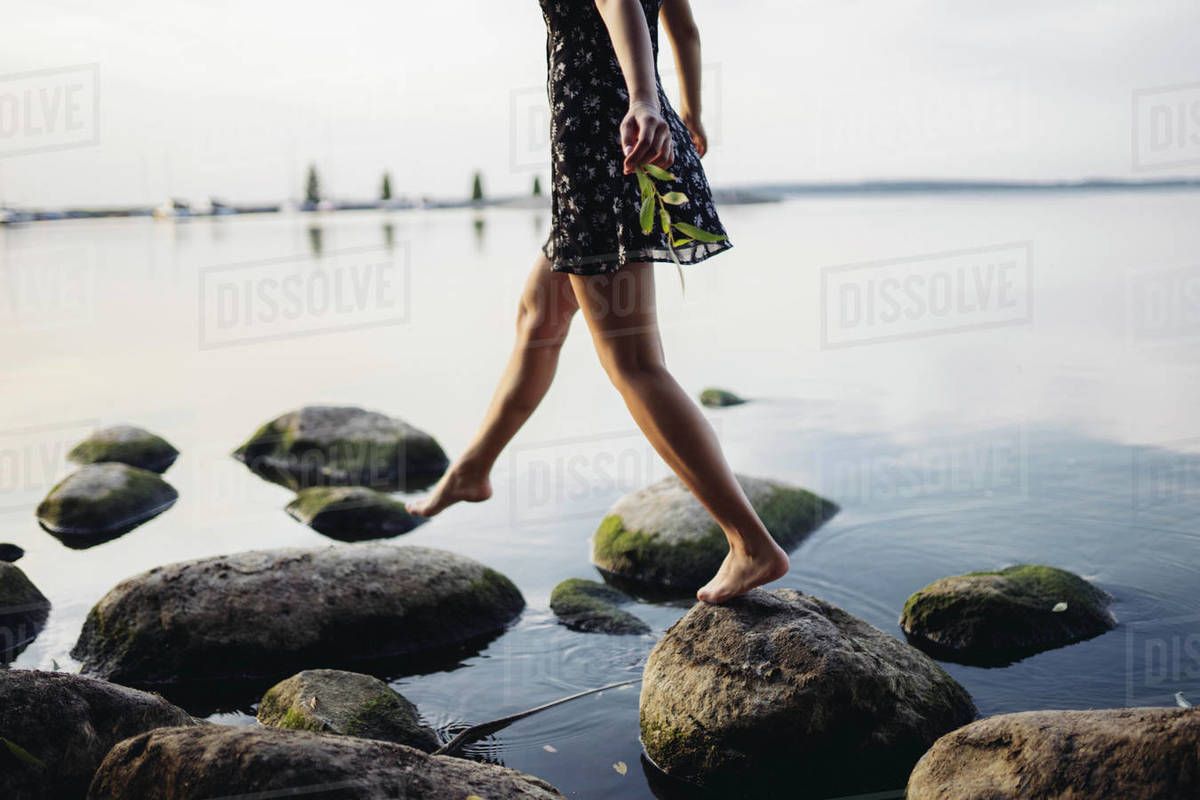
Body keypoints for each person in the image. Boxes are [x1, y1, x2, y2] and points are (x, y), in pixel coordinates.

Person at [407, 0, 789, 604]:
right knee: (540, 314)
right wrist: (686, 109)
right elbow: (682, 25)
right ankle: (473, 470)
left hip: (604, 149)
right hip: (615, 143)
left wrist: (643, 101)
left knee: (634, 364)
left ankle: (751, 544)